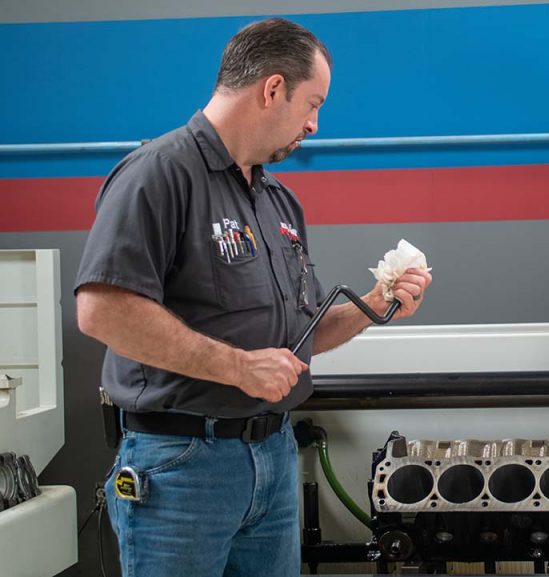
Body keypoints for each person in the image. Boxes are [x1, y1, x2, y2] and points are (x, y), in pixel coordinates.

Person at [75, 18, 432, 577]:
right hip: (181, 470)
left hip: (272, 459)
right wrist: (237, 367)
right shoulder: (159, 174)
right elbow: (101, 310)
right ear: (271, 90)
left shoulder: (278, 202)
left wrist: (376, 302)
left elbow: (300, 335)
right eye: (311, 104)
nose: (315, 124)